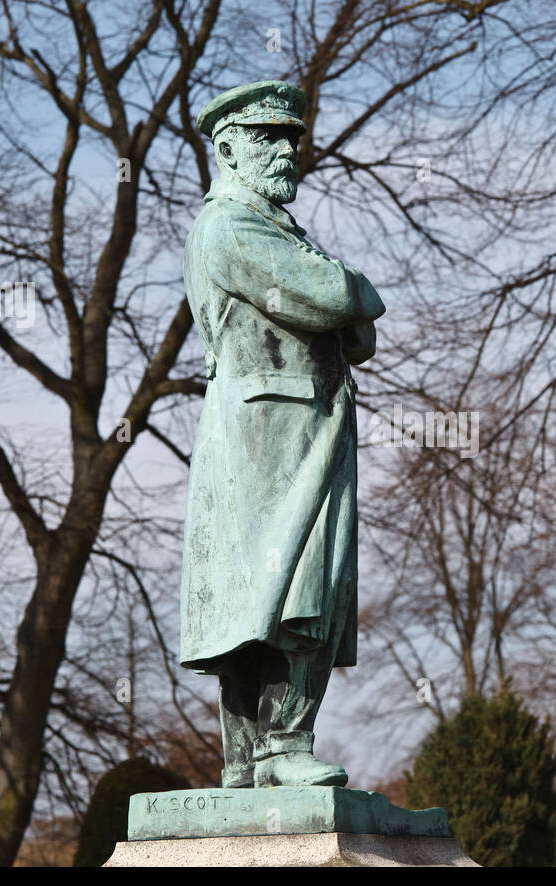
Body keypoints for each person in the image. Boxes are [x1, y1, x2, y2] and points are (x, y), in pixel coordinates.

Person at [179, 81, 384, 788]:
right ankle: (275, 752)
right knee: (288, 592)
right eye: (267, 138)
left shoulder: (268, 228)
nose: (285, 152)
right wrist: (347, 291)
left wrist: (342, 302)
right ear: (228, 145)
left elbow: (358, 337)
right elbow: (338, 298)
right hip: (275, 436)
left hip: (289, 429)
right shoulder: (235, 226)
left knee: (269, 598)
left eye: (290, 140)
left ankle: (252, 763)